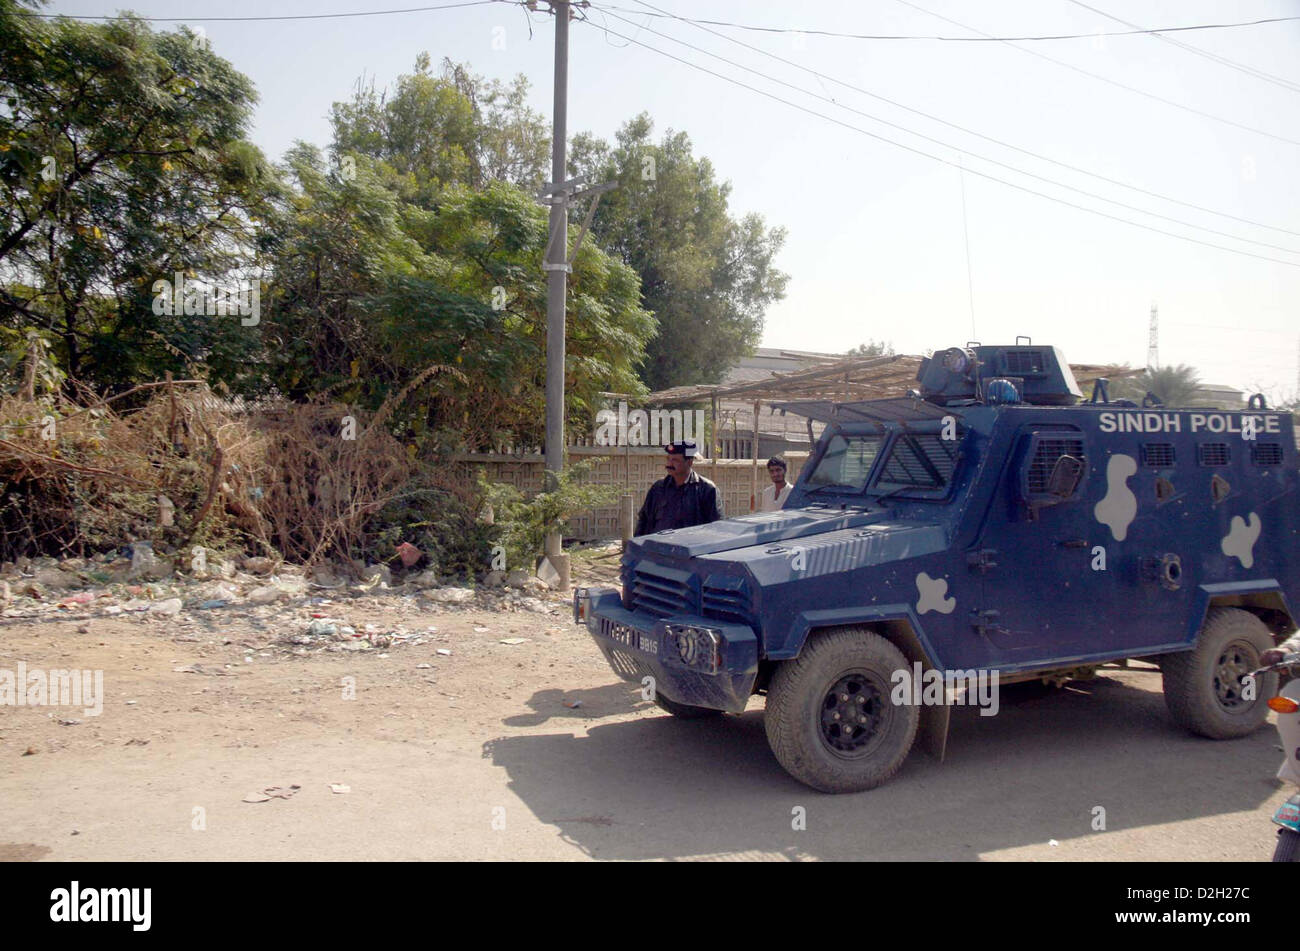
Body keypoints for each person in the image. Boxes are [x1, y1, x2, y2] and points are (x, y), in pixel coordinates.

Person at [634, 440, 723, 536]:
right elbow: (644, 520)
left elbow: (716, 528)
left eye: (675, 460)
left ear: (689, 462)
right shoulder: (658, 488)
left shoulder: (707, 490)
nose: (669, 464)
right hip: (658, 547)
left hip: (689, 548)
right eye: (668, 459)